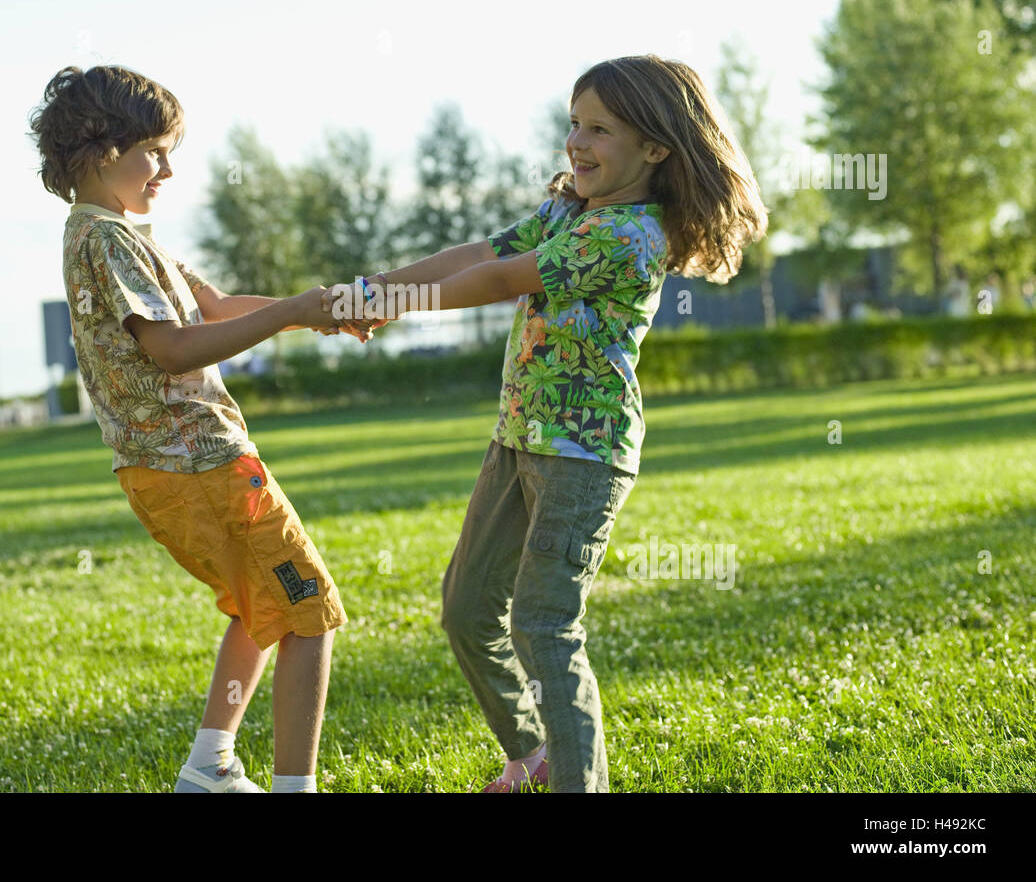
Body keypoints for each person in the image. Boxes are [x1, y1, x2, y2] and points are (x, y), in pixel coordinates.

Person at [326, 55, 767, 792]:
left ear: (656, 147)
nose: (577, 141)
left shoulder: (628, 236)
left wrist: (385, 308)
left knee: (542, 622)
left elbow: (503, 280)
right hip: (516, 441)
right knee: (467, 609)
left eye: (600, 128)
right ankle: (534, 753)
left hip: (583, 455)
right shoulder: (568, 210)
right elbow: (479, 253)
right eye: (574, 123)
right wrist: (370, 289)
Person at [30, 65, 367, 793]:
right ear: (98, 146)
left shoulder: (118, 236)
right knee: (310, 611)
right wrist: (287, 313)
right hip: (200, 464)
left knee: (259, 606)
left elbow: (209, 305)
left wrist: (314, 309)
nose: (169, 168)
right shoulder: (108, 242)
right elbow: (172, 348)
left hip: (170, 469)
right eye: (154, 149)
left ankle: (209, 766)